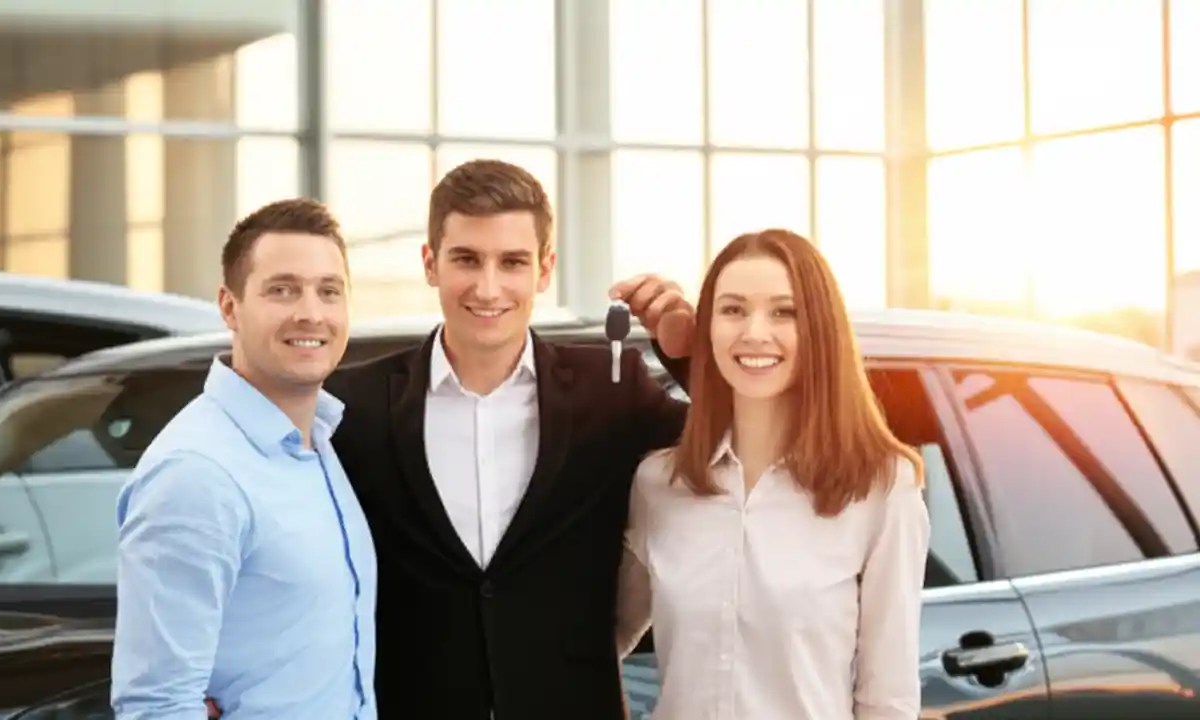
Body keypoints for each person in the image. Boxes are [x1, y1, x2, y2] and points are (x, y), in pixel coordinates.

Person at [324, 159, 692, 719]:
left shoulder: (610, 392)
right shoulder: (355, 405)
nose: (488, 287)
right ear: (431, 263)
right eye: (466, 259)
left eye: (512, 262)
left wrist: (687, 353)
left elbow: (740, 444)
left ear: (544, 270)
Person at [615, 229, 931, 719]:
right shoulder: (661, 485)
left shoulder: (882, 489)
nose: (754, 333)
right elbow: (598, 643)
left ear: (820, 330)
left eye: (784, 312)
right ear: (709, 329)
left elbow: (887, 702)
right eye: (733, 310)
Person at [111, 199, 376, 719]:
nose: (311, 313)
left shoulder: (318, 442)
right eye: (282, 290)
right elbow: (156, 706)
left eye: (329, 291)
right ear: (229, 307)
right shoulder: (198, 473)